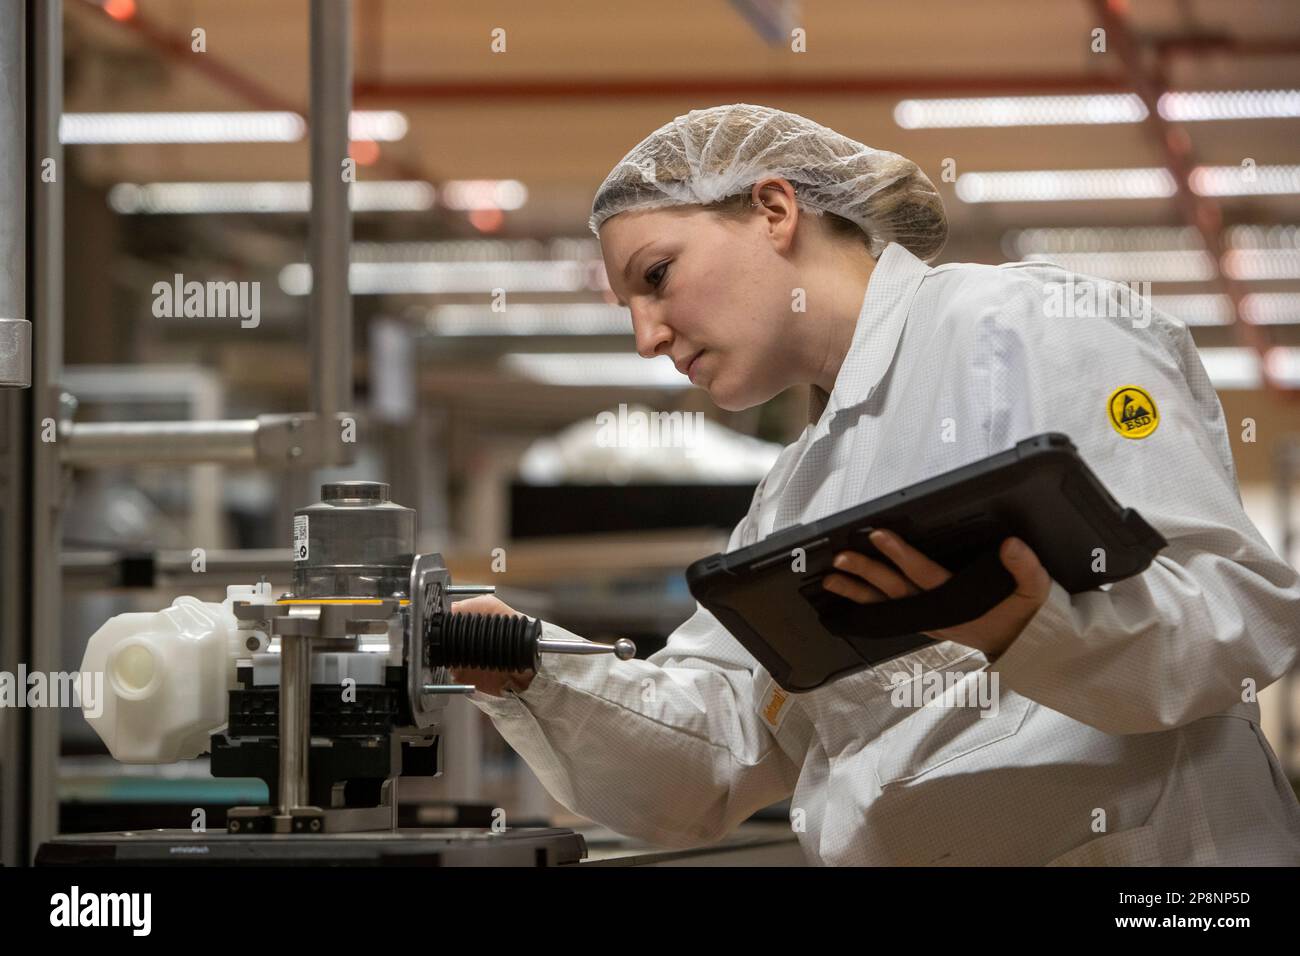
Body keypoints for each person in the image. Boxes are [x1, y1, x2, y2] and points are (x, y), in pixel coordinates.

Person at [451, 103, 1300, 865]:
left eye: (657, 275)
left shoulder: (1027, 329)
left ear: (773, 209)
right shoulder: (794, 494)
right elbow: (712, 757)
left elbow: (1238, 615)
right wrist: (530, 667)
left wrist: (1024, 627)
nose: (646, 336)